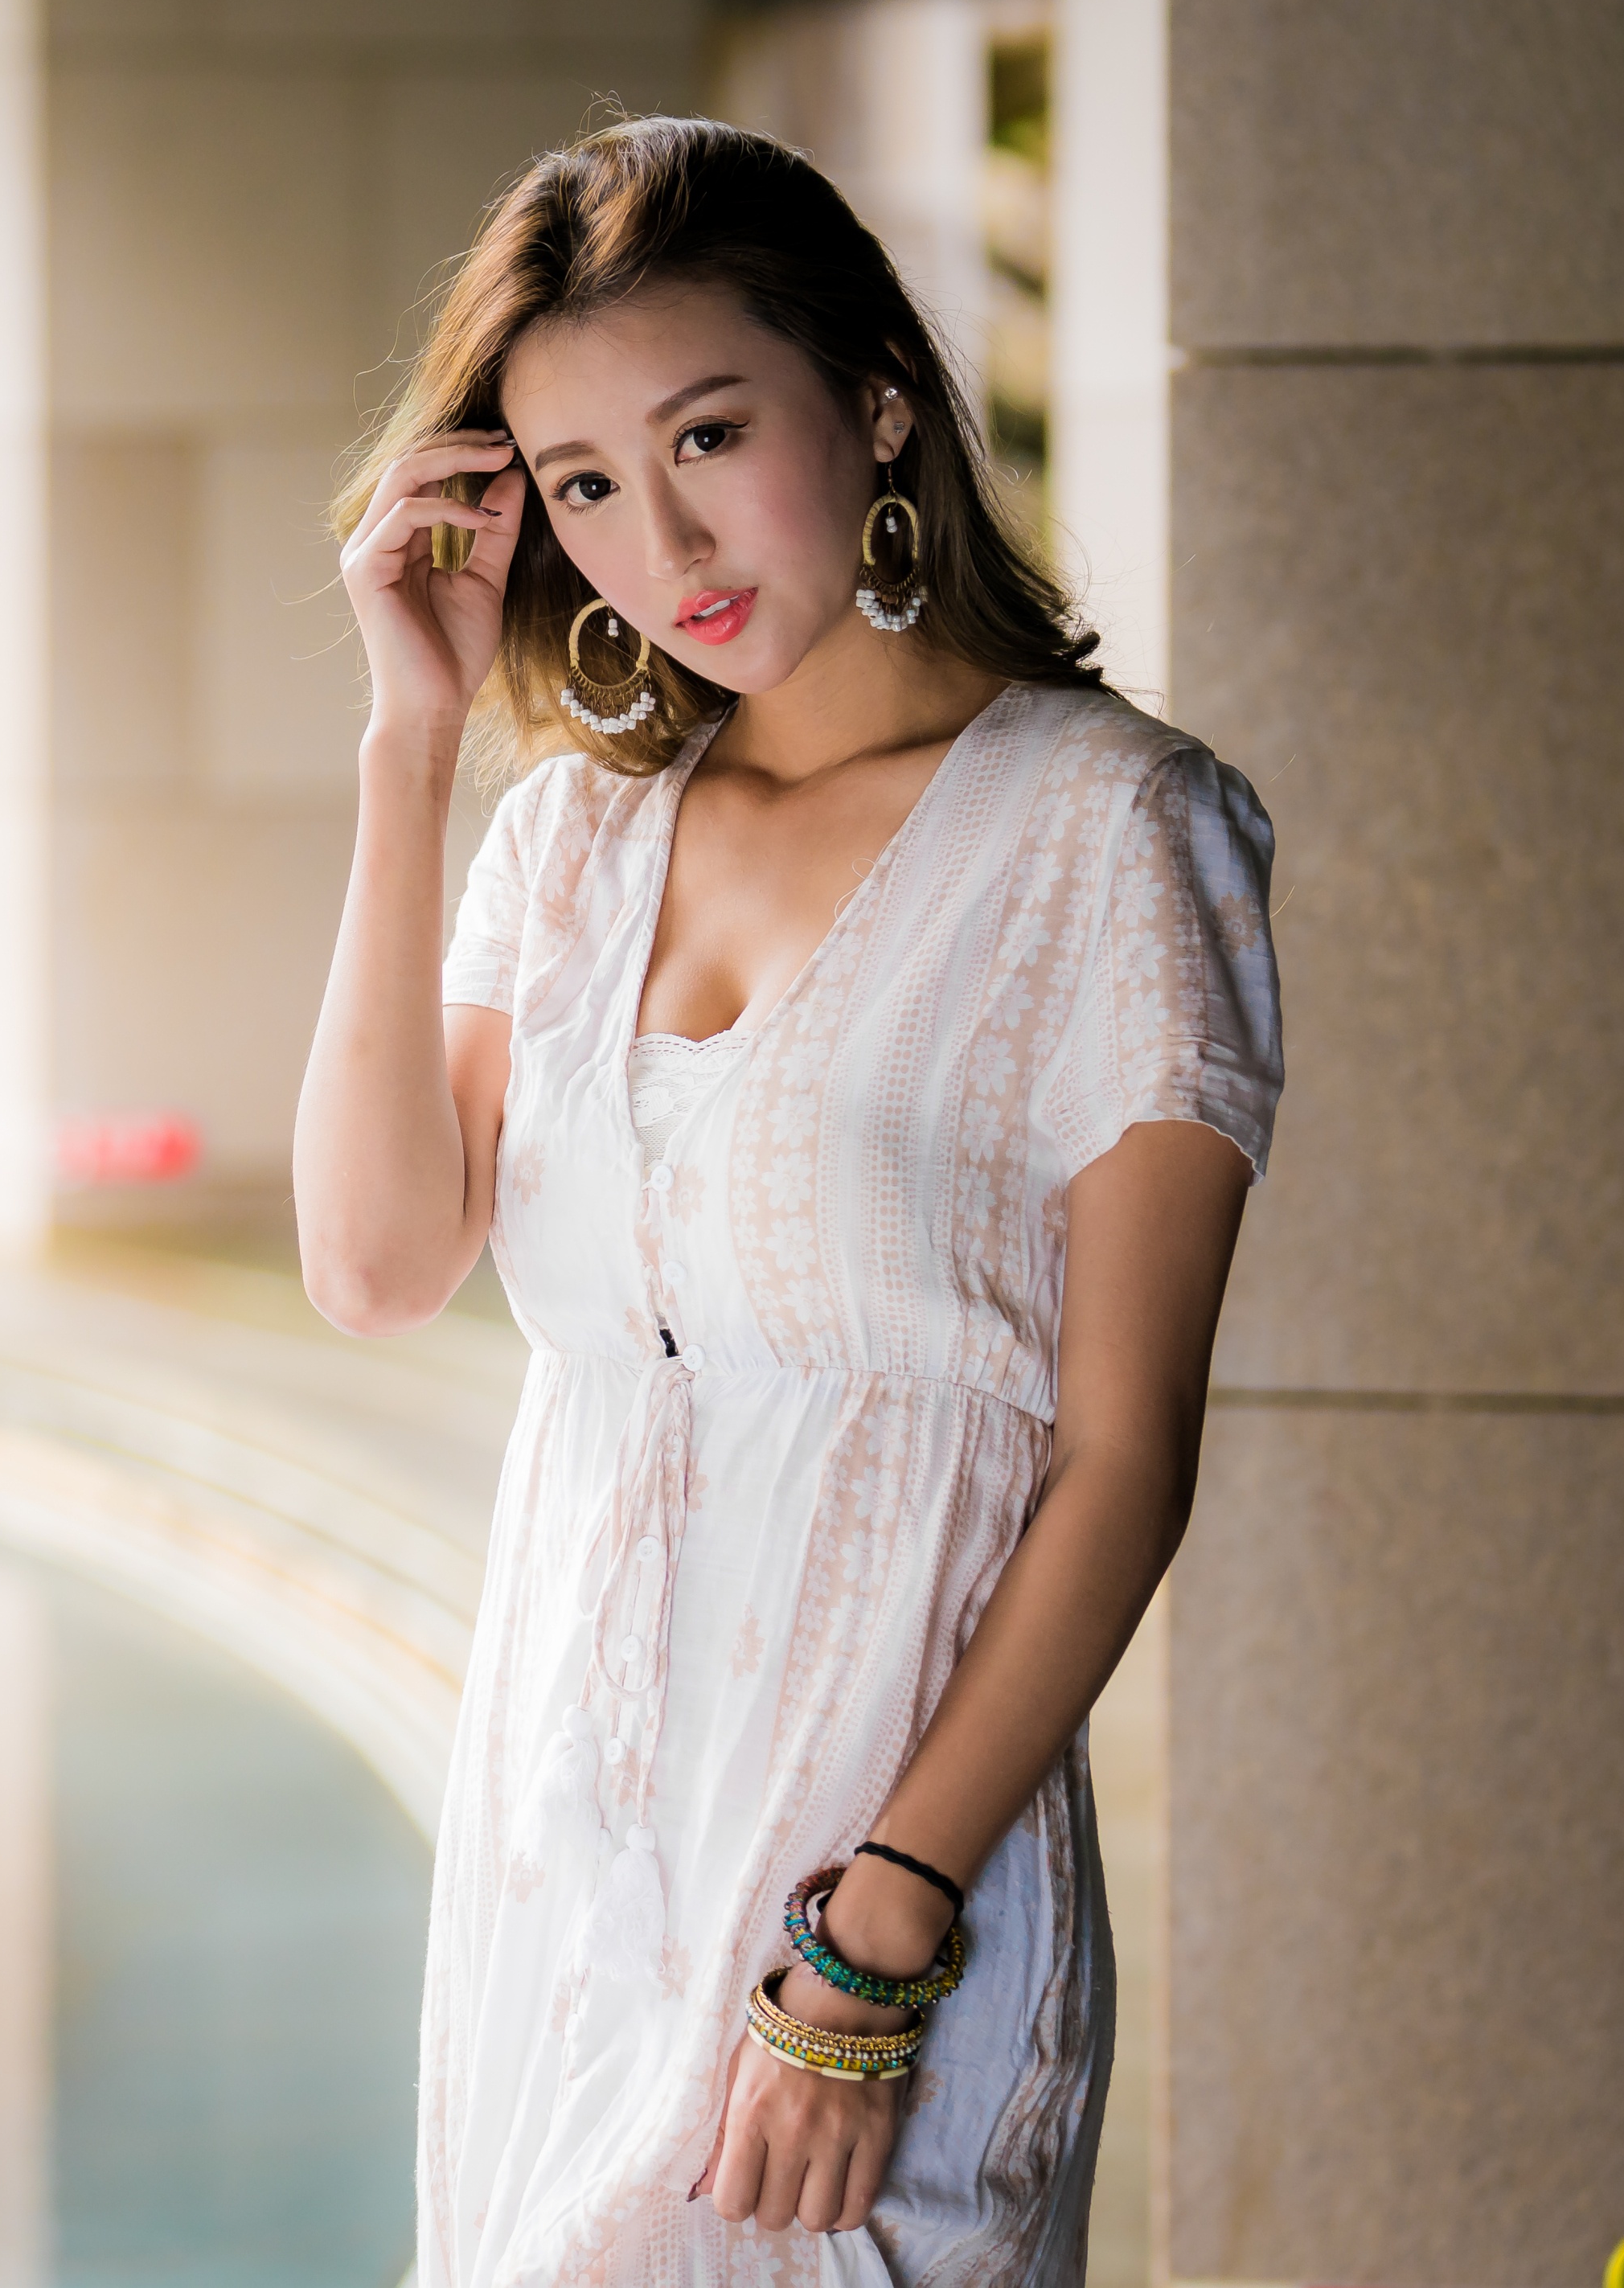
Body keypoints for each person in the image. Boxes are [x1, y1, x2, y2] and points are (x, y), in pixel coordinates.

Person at [293, 116, 1284, 2287]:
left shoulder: (1114, 834)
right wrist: (407, 741)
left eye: (709, 434)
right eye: (575, 485)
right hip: (565, 1874)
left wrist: (875, 1937)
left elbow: (1123, 1456)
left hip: (866, 1906)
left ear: (878, 400)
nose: (658, 539)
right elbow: (370, 1265)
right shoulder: (564, 844)